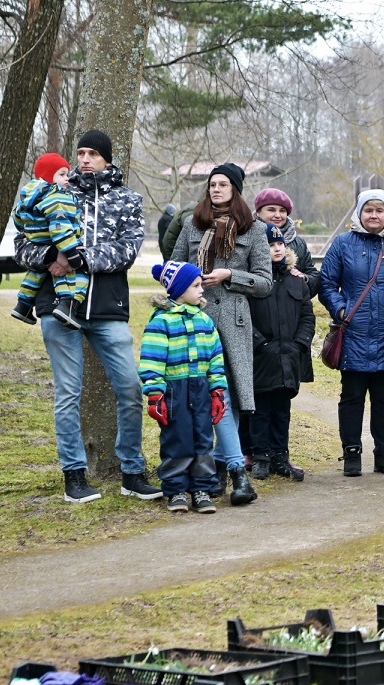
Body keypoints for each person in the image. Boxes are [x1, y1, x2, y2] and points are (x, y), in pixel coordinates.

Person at [12, 129, 161, 503]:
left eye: (92, 153)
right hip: (57, 306)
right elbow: (22, 243)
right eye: (80, 152)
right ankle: (74, 476)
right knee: (67, 393)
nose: (83, 159)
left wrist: (81, 259)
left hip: (109, 309)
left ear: (107, 158)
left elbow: (128, 250)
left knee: (130, 389)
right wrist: (50, 257)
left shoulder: (128, 200)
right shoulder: (55, 191)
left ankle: (131, 472)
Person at [170, 161, 269, 505]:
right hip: (193, 318)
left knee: (229, 396)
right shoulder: (191, 224)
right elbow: (172, 268)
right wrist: (190, 279)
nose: (215, 189)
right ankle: (222, 470)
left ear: (236, 189)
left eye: (223, 184)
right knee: (204, 394)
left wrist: (230, 275)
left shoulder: (254, 230)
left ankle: (221, 470)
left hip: (234, 323)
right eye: (212, 184)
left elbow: (265, 282)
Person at [320, 189, 384, 476]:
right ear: (358, 213)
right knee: (352, 396)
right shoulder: (343, 243)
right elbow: (326, 283)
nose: (374, 215)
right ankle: (351, 453)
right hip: (354, 334)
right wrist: (341, 310)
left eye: (379, 210)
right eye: (368, 210)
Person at [139, 261, 227, 513]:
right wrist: (155, 395)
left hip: (200, 390)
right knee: (176, 440)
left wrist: (217, 391)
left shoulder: (205, 321)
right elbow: (152, 360)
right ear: (178, 289)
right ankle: (176, 490)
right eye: (196, 285)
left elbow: (215, 359)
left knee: (203, 439)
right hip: (173, 392)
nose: (202, 290)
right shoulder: (161, 322)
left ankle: (201, 489)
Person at [248, 223, 315, 481]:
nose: (276, 249)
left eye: (279, 245)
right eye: (270, 245)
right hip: (262, 357)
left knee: (282, 409)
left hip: (289, 355)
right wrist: (260, 344)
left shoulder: (296, 281)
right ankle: (260, 457)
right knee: (260, 409)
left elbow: (307, 316)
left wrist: (300, 344)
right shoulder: (255, 281)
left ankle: (279, 455)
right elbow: (244, 316)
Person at [10, 153, 86, 328]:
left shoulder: (28, 197)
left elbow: (17, 220)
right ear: (48, 177)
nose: (67, 179)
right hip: (58, 243)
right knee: (71, 272)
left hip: (38, 243)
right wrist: (70, 252)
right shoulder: (57, 197)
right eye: (61, 174)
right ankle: (67, 304)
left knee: (36, 273)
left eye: (67, 174)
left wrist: (31, 229)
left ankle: (23, 306)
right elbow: (60, 227)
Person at [253, 188, 320, 297]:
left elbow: (314, 276)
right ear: (258, 212)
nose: (278, 215)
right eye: (271, 210)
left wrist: (305, 279)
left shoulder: (298, 243)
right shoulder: (247, 238)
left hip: (291, 310)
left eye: (282, 210)